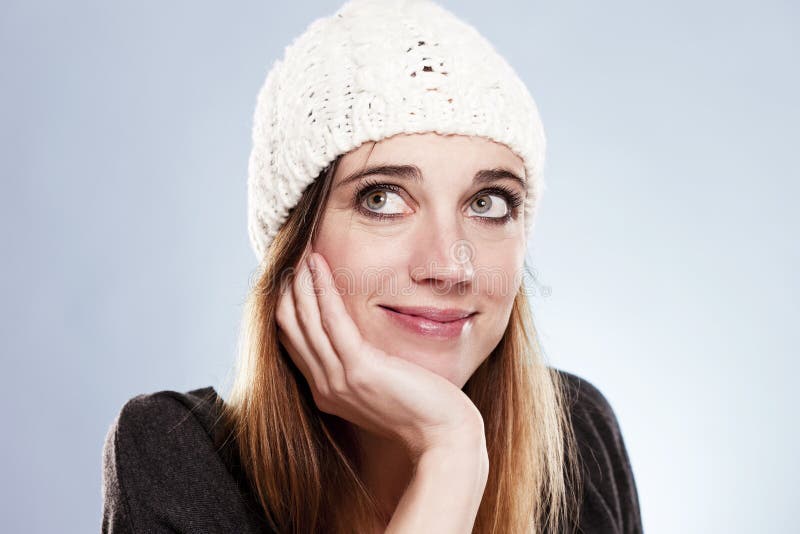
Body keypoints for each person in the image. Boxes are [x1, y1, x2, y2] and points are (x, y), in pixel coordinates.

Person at [101, 1, 643, 532]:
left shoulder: (576, 432)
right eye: (382, 198)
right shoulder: (177, 451)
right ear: (293, 241)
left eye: (488, 203)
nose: (450, 267)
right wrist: (450, 451)